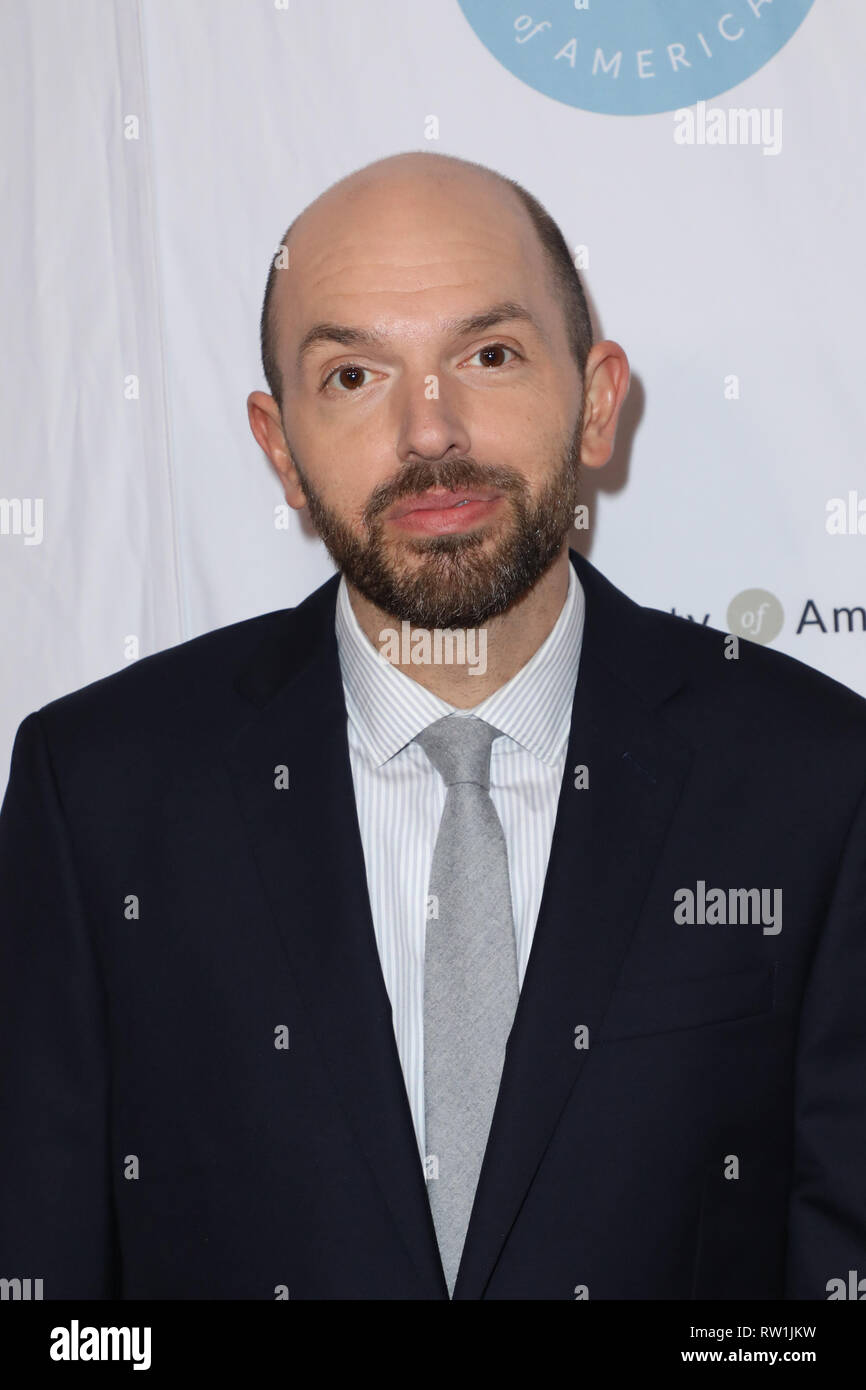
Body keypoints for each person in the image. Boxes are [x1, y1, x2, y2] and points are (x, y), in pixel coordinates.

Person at [1, 151, 864, 1301]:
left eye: (488, 355)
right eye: (354, 374)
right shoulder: (97, 792)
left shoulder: (813, 777)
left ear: (596, 401)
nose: (429, 430)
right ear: (280, 450)